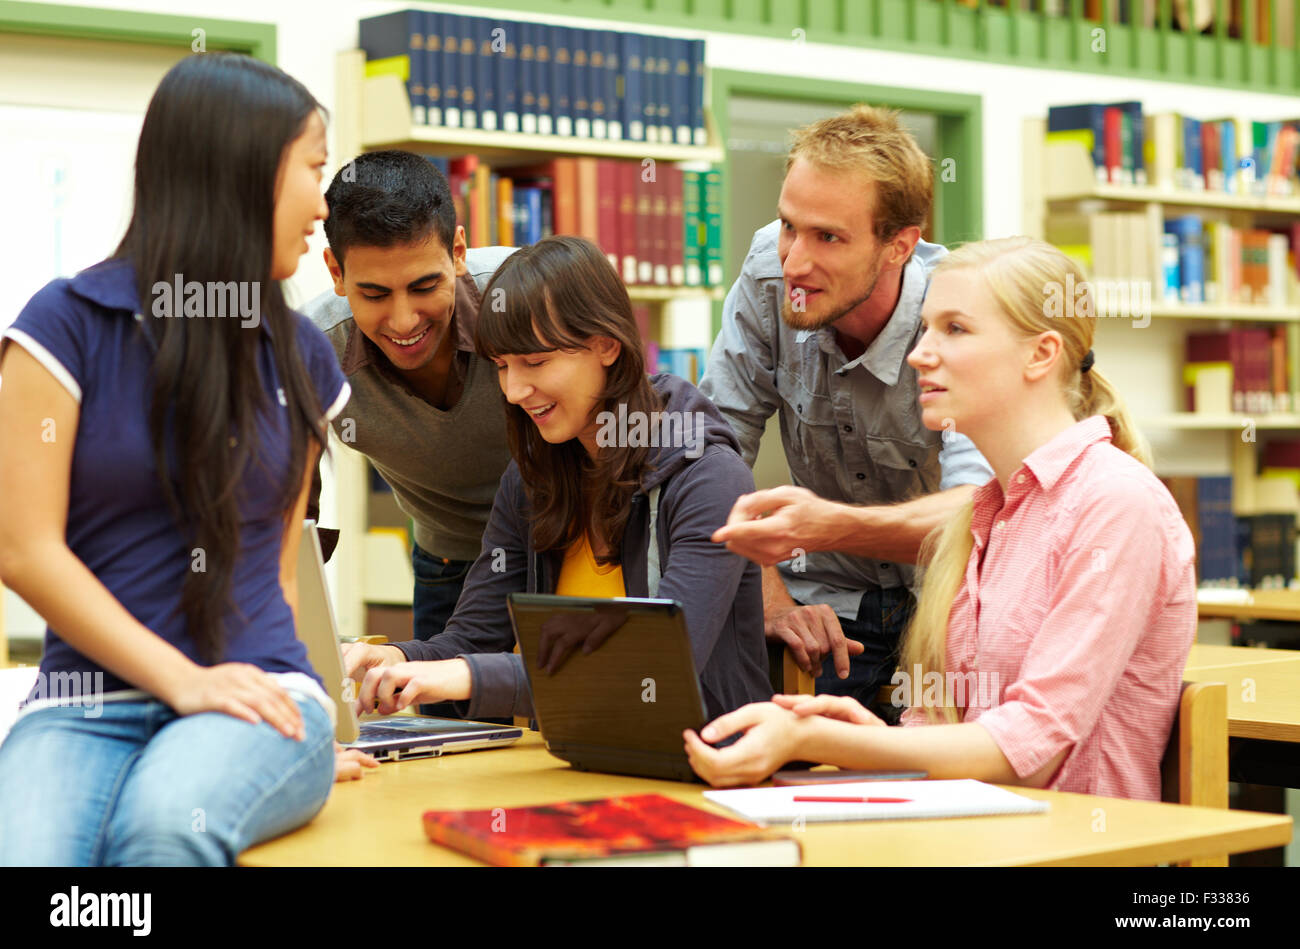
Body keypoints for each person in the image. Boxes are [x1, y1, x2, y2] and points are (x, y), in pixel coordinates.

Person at [0, 53, 373, 867]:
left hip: (259, 691)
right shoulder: (63, 327)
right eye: (313, 168)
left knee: (167, 829)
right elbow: (23, 549)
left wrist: (297, 749)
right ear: (237, 166)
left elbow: (278, 574)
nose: (323, 202)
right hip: (81, 701)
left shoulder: (302, 352)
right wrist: (181, 680)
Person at [686, 237, 1197, 801]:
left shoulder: (1116, 503)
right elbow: (951, 726)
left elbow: (1029, 753)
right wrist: (868, 736)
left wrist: (822, 741)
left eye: (955, 329)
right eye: (926, 327)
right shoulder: (986, 513)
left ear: (1041, 354)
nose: (919, 353)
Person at [343, 235, 771, 722]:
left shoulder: (707, 477)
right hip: (574, 761)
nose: (514, 390)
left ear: (606, 346)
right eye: (502, 366)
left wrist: (465, 675)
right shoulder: (530, 477)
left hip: (700, 769)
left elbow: (653, 667)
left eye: (536, 362)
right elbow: (472, 637)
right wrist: (399, 660)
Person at [698, 104, 992, 716]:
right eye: (788, 226)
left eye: (828, 236)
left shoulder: (963, 312)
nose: (794, 262)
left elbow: (976, 517)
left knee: (934, 783)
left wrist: (825, 525)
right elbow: (710, 452)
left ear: (898, 247)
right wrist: (770, 594)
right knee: (732, 746)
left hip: (952, 599)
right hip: (827, 600)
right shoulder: (769, 271)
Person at [303, 151, 515, 671]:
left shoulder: (523, 295)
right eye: (374, 293)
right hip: (450, 559)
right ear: (336, 271)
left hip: (570, 546)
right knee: (452, 736)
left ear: (458, 251)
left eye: (424, 286)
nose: (403, 320)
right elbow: (287, 518)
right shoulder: (311, 351)